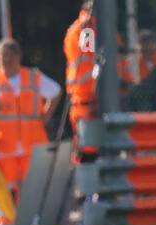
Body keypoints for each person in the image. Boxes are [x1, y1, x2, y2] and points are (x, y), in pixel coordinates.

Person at [0, 38, 59, 225]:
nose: (5, 61)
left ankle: (30, 224)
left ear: (18, 57)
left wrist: (47, 114)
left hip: (32, 144)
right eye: (2, 57)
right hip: (3, 146)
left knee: (31, 186)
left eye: (9, 56)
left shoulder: (32, 77)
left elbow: (56, 92)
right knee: (6, 187)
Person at [63, 1, 98, 156]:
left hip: (84, 99)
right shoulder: (86, 29)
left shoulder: (84, 28)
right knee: (89, 151)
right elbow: (89, 56)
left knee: (88, 149)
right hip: (87, 99)